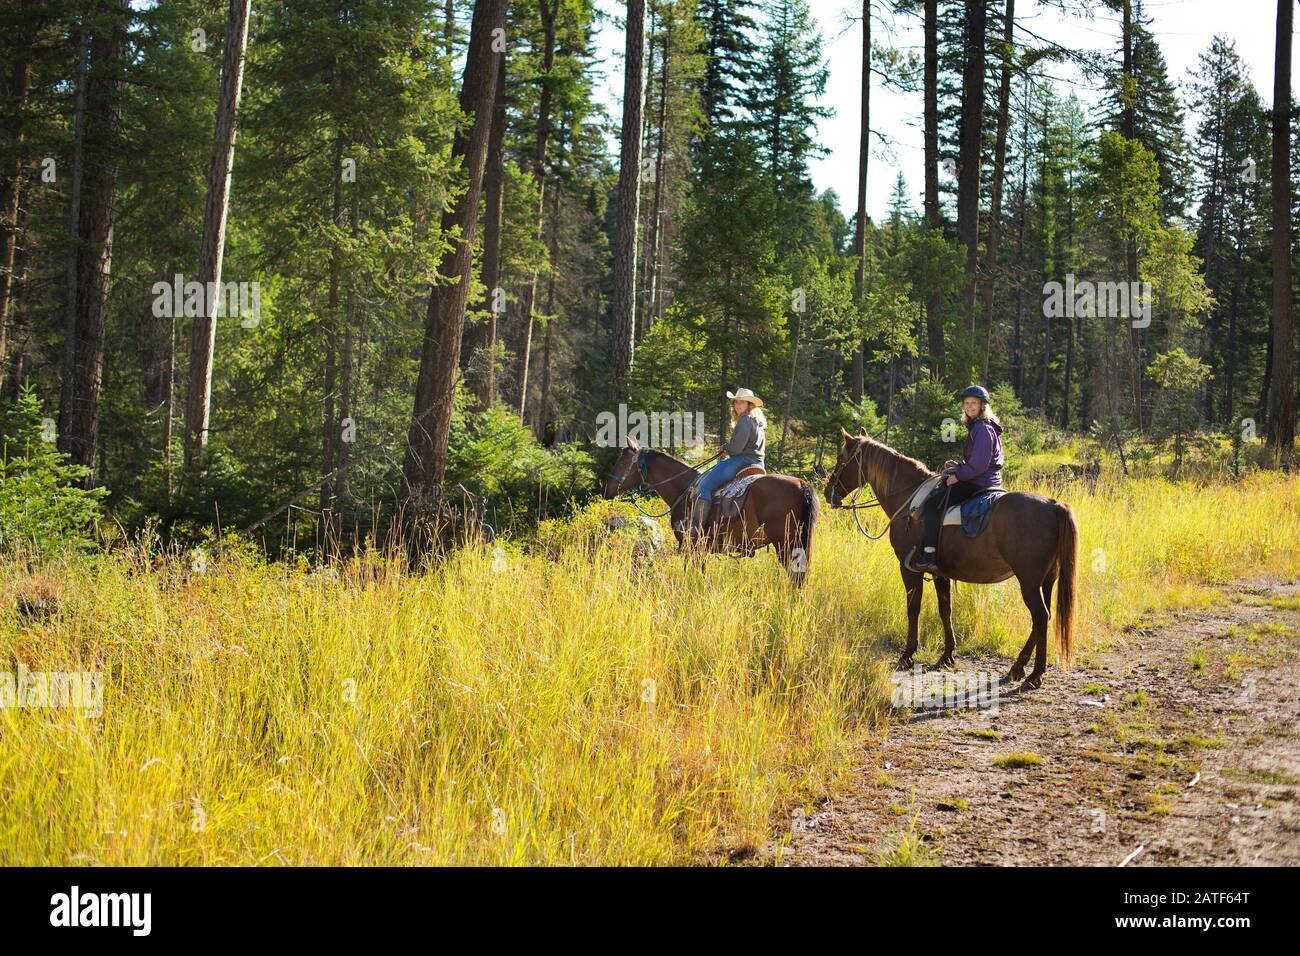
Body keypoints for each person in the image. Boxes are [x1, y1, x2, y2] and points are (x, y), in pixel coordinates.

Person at [908, 385, 1004, 573]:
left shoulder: (983, 428)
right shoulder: (981, 426)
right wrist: (960, 465)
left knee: (932, 504)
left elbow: (979, 466)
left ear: (982, 406)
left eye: (973, 403)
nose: (969, 407)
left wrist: (957, 477)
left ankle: (929, 555)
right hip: (983, 479)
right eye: (967, 403)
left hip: (979, 483)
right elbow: (978, 461)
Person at [686, 388, 767, 538]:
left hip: (742, 461)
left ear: (749, 404)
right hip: (758, 464)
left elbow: (736, 449)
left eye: (742, 402)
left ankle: (695, 530)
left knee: (704, 487)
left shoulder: (744, 419)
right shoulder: (757, 421)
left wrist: (725, 448)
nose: (737, 405)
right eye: (736, 402)